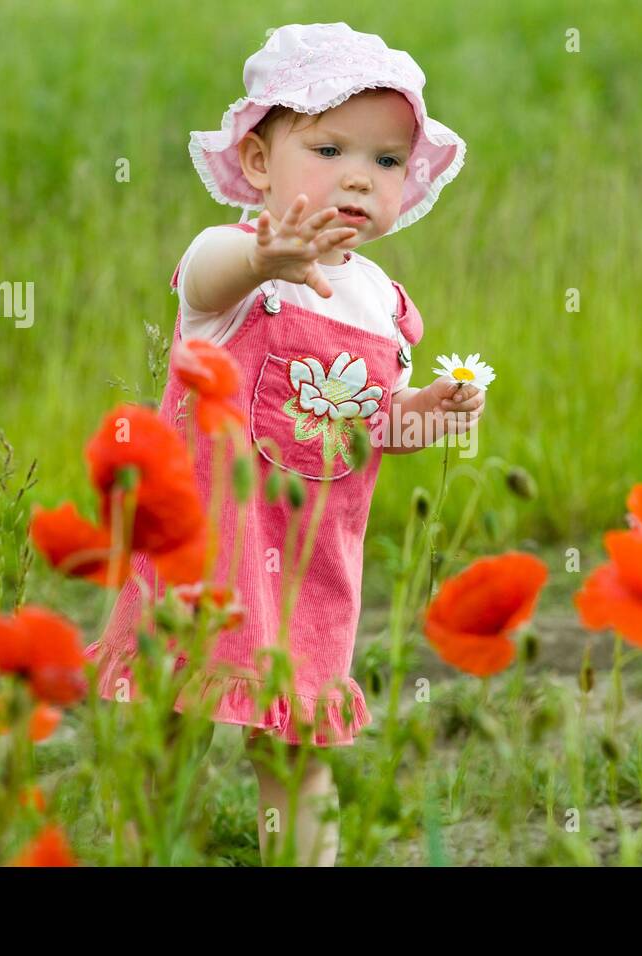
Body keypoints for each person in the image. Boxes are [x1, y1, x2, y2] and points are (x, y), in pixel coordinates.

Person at [86, 22, 481, 865]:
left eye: (383, 162)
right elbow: (205, 278)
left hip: (309, 568)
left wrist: (424, 413)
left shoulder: (380, 301)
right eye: (329, 148)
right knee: (169, 736)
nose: (356, 178)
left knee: (296, 752)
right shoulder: (233, 256)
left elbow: (365, 428)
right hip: (206, 556)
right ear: (261, 165)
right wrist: (268, 257)